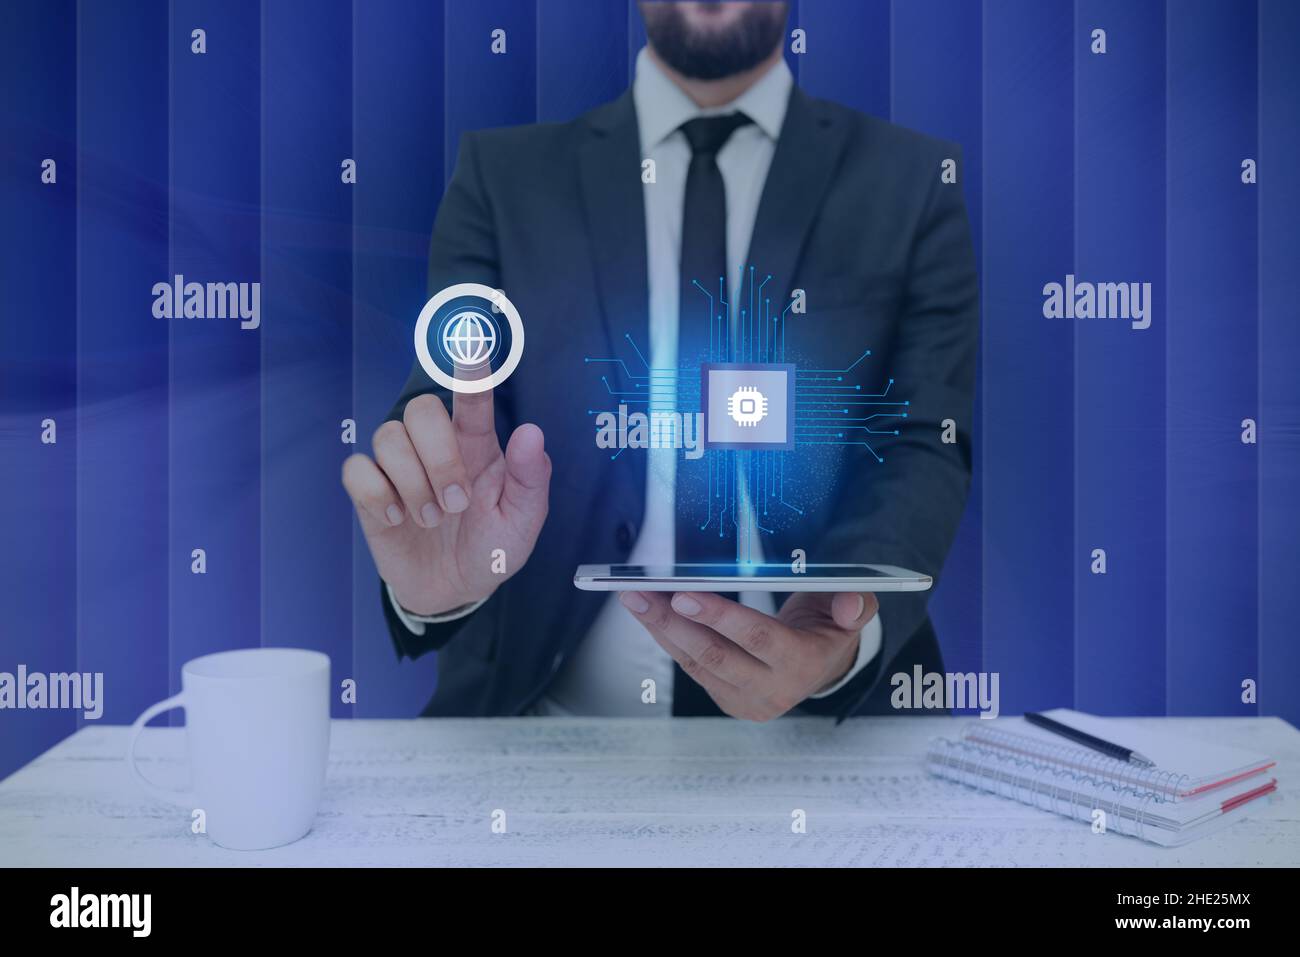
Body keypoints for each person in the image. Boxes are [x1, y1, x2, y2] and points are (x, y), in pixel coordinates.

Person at [341, 1, 977, 720]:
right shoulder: (503, 178)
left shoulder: (915, 180)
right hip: (550, 733)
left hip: (833, 722)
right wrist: (443, 541)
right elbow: (459, 402)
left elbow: (926, 438)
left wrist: (840, 630)